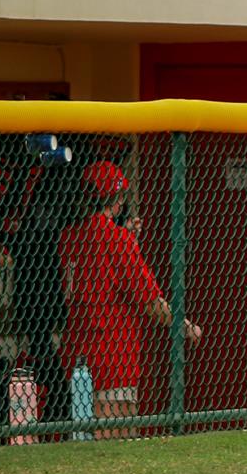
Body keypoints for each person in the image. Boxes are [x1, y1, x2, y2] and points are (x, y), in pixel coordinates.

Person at [59, 160, 201, 437]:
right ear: (115, 198)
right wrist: (185, 326)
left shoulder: (69, 235)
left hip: (77, 351)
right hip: (113, 354)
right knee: (114, 442)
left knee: (82, 437)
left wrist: (127, 238)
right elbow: (150, 301)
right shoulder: (116, 239)